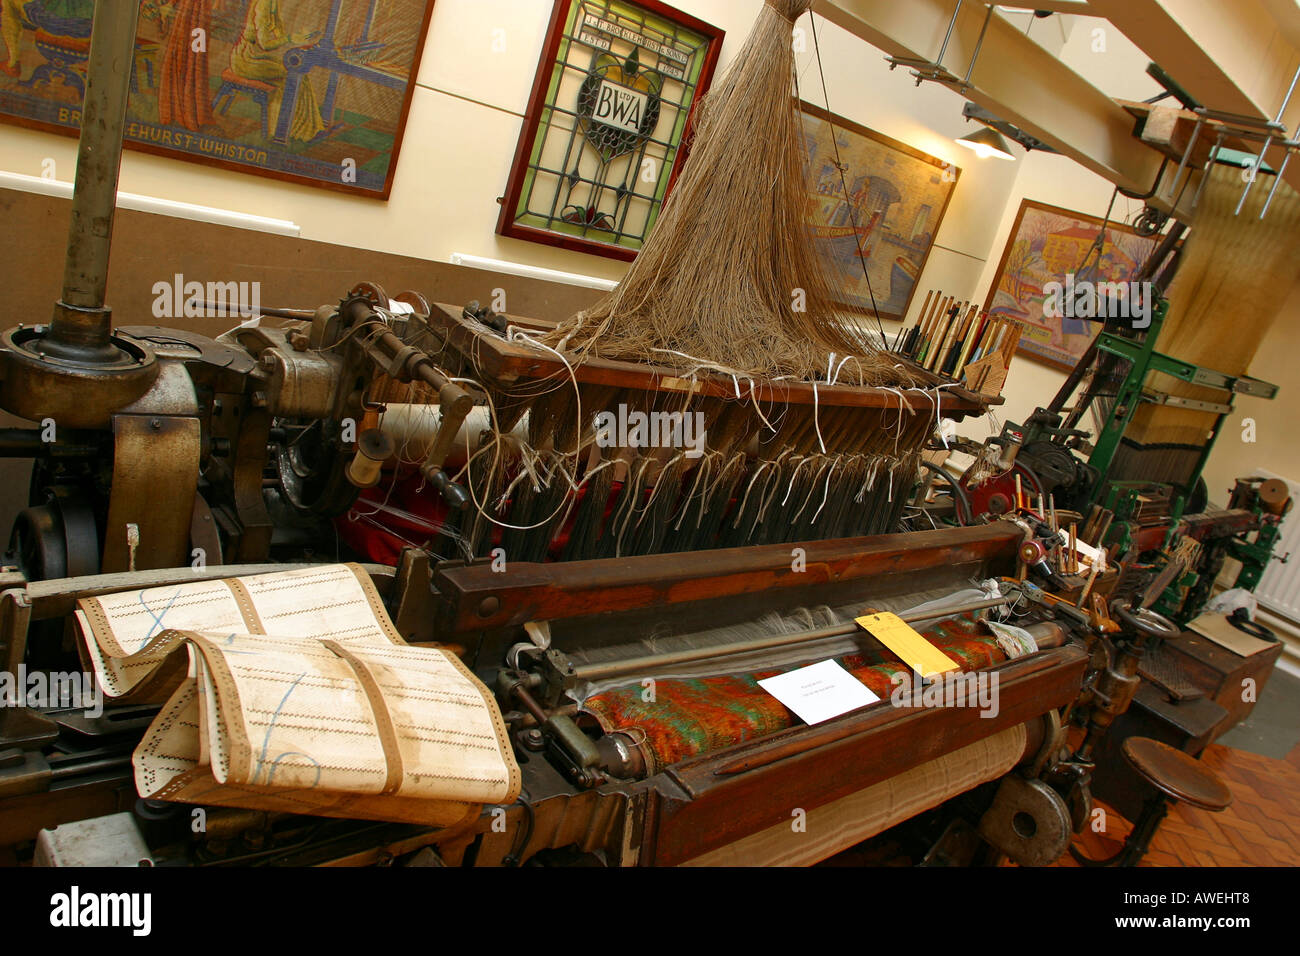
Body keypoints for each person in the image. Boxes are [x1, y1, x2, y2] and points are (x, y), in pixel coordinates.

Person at [229, 0, 324, 141]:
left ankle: (305, 128)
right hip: (246, 59)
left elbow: (279, 35)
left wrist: (300, 38)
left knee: (298, 73)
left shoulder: (274, 2)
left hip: (255, 56)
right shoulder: (264, 3)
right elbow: (265, 44)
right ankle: (296, 130)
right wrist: (291, 38)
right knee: (294, 75)